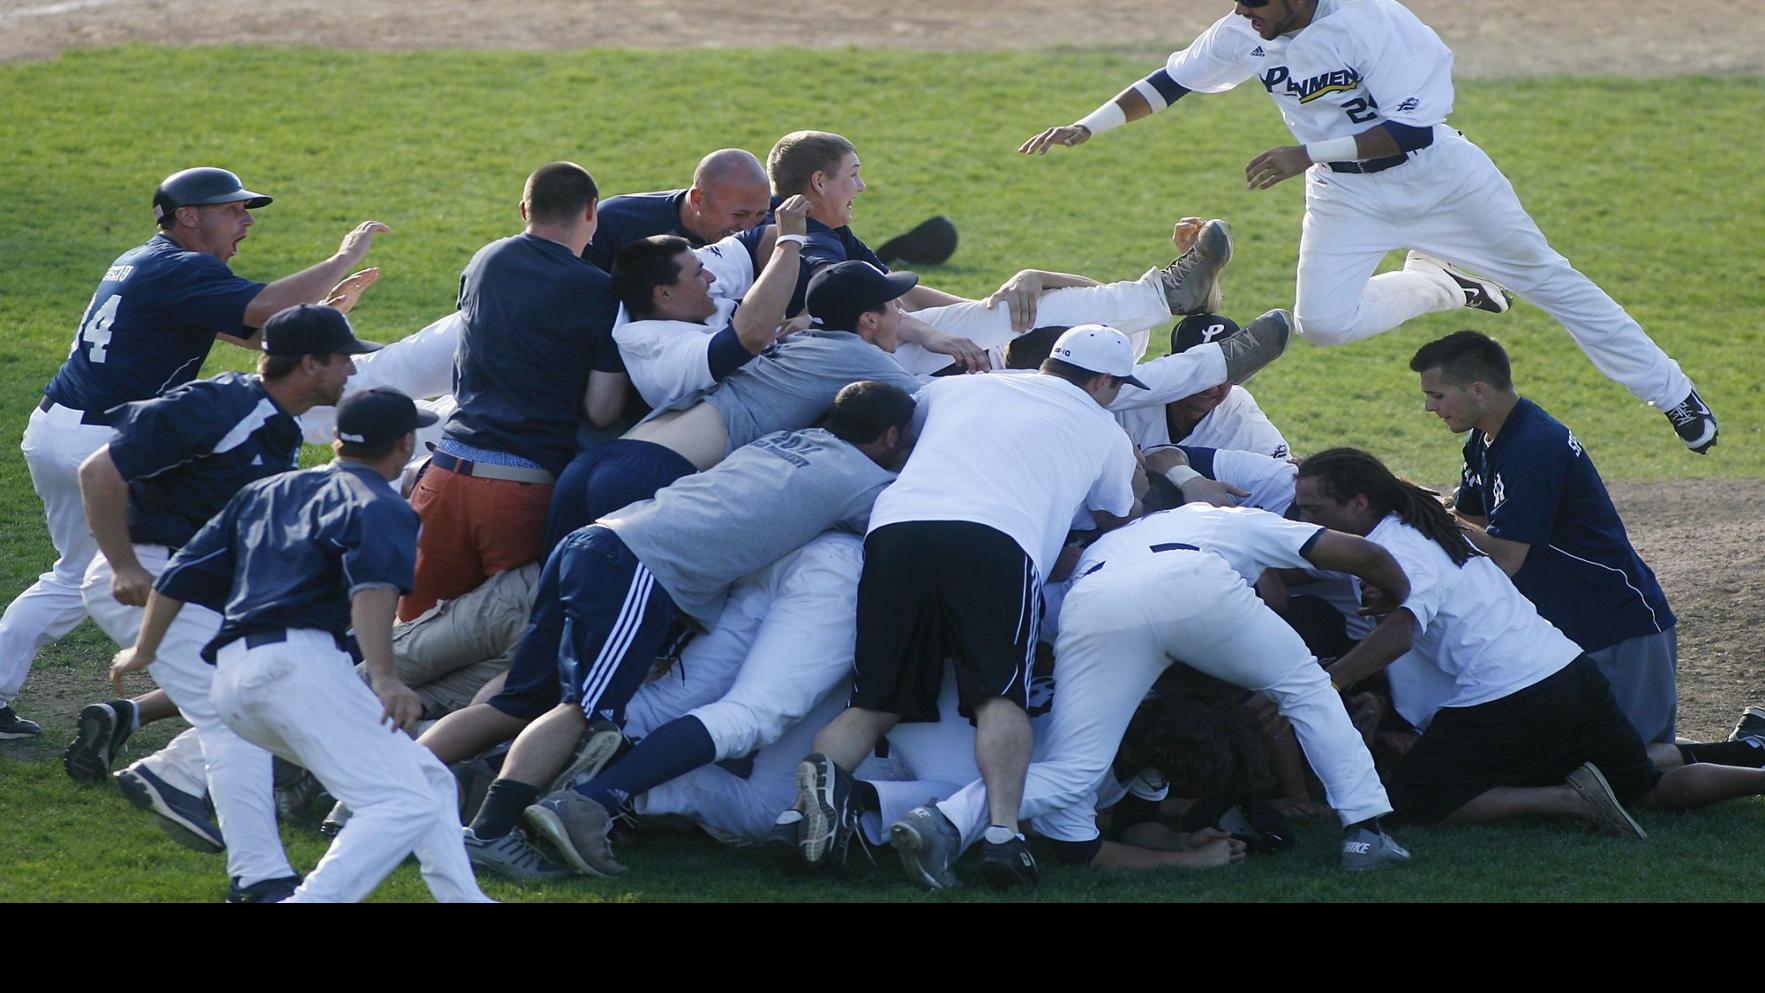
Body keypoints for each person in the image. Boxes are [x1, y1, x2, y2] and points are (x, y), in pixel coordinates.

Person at [1021, 0, 1718, 454]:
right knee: (1320, 323)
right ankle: (1441, 283)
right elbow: (1171, 81)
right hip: (1344, 196)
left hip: (1441, 182)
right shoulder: (1244, 27)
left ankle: (1672, 393)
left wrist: (1303, 153)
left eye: (1255, 6)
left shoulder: (1376, 24)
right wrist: (1089, 124)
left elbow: (1411, 132)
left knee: (1552, 282)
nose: (1243, 19)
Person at [458, 383, 913, 879]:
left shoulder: (784, 439)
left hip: (599, 538)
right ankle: (494, 829)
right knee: (586, 711)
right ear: (890, 436)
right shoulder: (864, 478)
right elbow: (902, 533)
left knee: (528, 698)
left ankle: (447, 781)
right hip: (639, 561)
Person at [0, 167, 387, 738]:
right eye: (233, 210)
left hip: (57, 427)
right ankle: (227, 680)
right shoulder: (182, 268)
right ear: (189, 216)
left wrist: (327, 310)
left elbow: (259, 337)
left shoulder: (150, 262)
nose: (246, 221)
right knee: (200, 550)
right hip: (105, 442)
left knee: (74, 574)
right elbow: (262, 310)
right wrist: (342, 256)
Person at [887, 502, 1413, 889]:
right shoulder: (1217, 516)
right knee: (1305, 689)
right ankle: (1364, 831)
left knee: (1076, 769)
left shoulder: (1104, 542)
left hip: (1094, 603)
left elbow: (1079, 849)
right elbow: (1361, 552)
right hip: (1190, 579)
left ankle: (946, 821)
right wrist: (1397, 592)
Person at [112, 388, 491, 903]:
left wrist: (144, 652)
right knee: (400, 802)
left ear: (336, 439)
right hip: (300, 671)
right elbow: (373, 589)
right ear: (406, 444)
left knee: (427, 779)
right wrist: (383, 676)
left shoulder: (267, 491)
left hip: (232, 682)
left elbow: (179, 575)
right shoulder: (382, 504)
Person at [798, 324, 1141, 886]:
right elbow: (1117, 514)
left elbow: (903, 432)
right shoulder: (1104, 429)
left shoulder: (956, 388)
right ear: (1103, 381)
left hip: (896, 530)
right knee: (998, 698)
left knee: (874, 700)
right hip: (996, 540)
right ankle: (1003, 836)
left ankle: (803, 813)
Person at [63, 307, 376, 895]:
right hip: (149, 577)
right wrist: (126, 563)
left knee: (257, 702)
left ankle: (172, 773)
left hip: (193, 587)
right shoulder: (221, 408)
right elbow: (98, 471)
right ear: (310, 365)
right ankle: (259, 878)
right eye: (342, 358)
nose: (352, 368)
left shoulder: (277, 421)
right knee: (232, 721)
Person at [1292, 448, 1765, 833]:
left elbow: (1402, 631)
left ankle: (1568, 800)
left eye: (1315, 509)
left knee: (1411, 803)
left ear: (1358, 503)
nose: (1305, 518)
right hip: (1568, 671)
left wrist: (1327, 683)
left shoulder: (1397, 547)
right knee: (1645, 787)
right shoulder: (1421, 528)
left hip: (1507, 694)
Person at [1410, 331, 1765, 768]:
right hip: (1568, 626)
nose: (1430, 407)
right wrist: (1433, 507)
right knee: (1593, 759)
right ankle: (1750, 745)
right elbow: (1477, 520)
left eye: (1437, 395)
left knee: (1628, 767)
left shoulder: (1532, 448)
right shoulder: (1485, 440)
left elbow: (1504, 556)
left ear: (1478, 390)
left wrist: (1430, 516)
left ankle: (1752, 751)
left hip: (1614, 626)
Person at [751, 131, 1235, 372]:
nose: (862, 184)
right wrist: (949, 335)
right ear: (819, 181)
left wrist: (1028, 283)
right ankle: (1174, 310)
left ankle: (1181, 319)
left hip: (900, 351)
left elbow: (914, 302)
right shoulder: (809, 239)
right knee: (1063, 326)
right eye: (852, 173)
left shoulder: (831, 231)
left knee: (1096, 336)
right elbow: (867, 316)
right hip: (878, 363)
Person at [402, 161, 629, 622]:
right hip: (518, 492)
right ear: (592, 211)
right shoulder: (601, 291)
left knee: (408, 635)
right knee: (500, 647)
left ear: (524, 207)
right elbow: (602, 410)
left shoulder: (486, 260)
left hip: (444, 475)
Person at [582, 148, 774, 271]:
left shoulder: (770, 233)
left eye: (760, 214)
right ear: (697, 200)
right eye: (739, 215)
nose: (750, 228)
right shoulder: (615, 223)